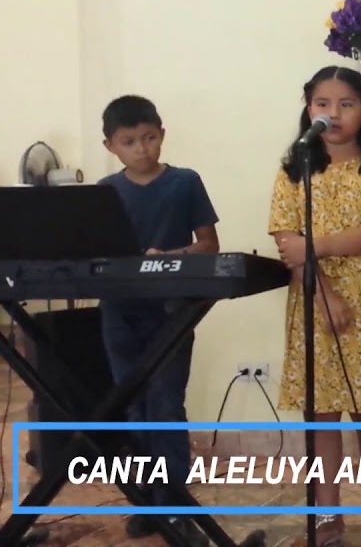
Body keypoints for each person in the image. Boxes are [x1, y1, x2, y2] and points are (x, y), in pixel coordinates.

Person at [268, 66, 361, 547]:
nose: (333, 113)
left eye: (346, 103)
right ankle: (327, 514)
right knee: (321, 412)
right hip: (312, 302)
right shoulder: (294, 168)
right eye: (322, 104)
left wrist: (321, 244)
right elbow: (289, 245)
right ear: (308, 110)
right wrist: (325, 294)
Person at [97, 95, 219, 545]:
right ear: (111, 145)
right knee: (131, 405)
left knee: (166, 403)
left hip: (170, 309)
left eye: (149, 138)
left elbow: (208, 244)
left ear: (162, 135)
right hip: (120, 311)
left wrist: (170, 256)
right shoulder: (105, 192)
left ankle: (174, 502)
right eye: (129, 142)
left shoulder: (185, 182)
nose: (142, 149)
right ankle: (146, 502)